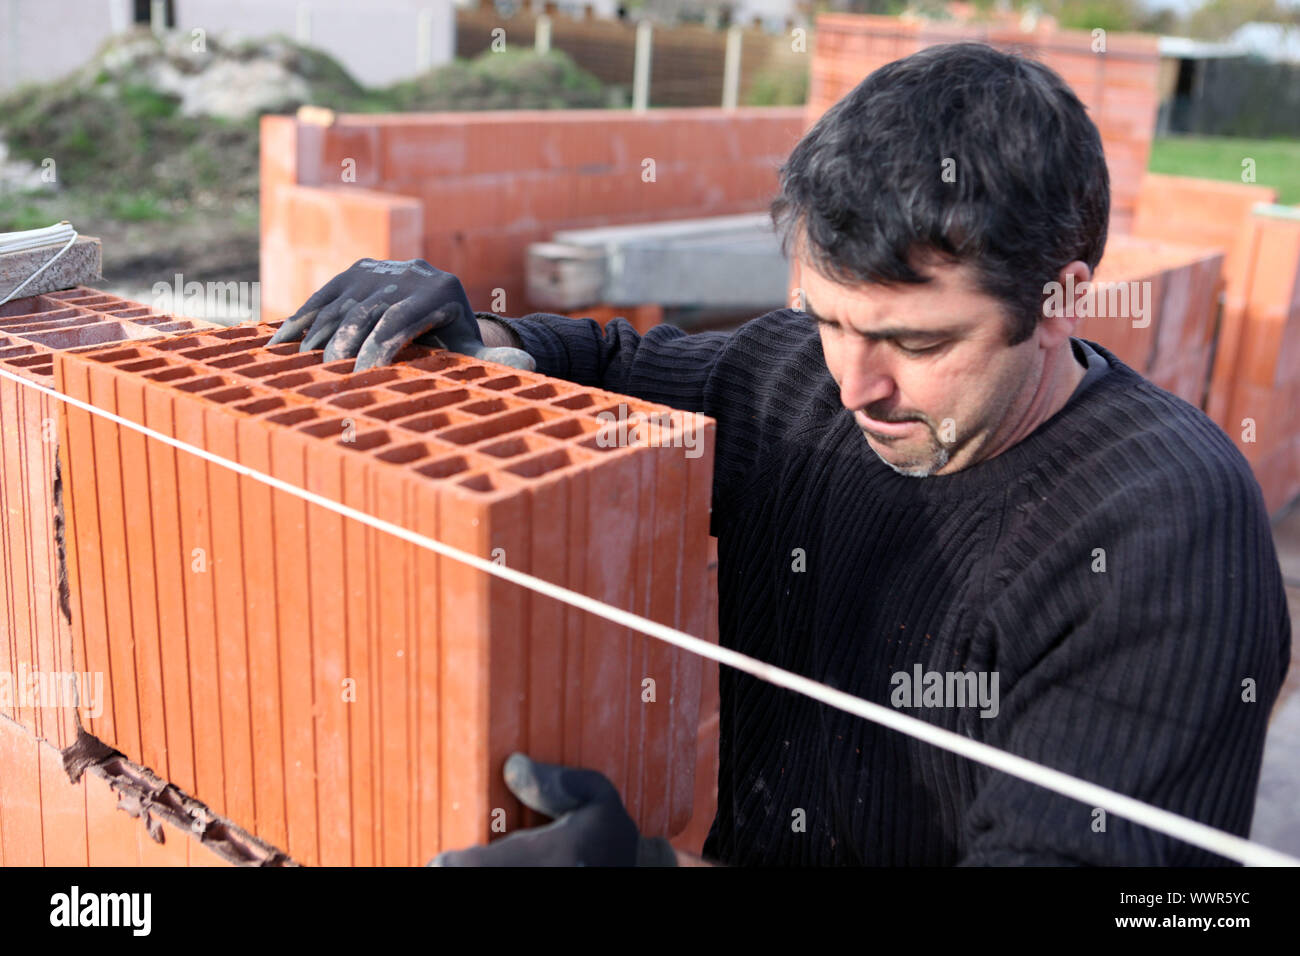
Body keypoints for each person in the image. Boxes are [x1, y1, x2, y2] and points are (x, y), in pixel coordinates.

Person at [270, 43, 1291, 866]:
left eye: (918, 341)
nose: (856, 385)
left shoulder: (1166, 534)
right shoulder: (794, 376)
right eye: (828, 318)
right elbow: (618, 363)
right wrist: (483, 340)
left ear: (1062, 300)